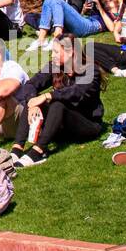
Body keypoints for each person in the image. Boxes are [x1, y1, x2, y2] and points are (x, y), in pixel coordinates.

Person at [9, 35, 105, 167]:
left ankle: (39, 151)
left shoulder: (90, 70)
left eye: (55, 51)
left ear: (70, 52)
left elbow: (77, 92)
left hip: (87, 124)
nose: (52, 55)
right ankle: (17, 148)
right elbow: (31, 84)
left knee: (57, 103)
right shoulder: (55, 66)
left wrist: (48, 95)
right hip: (61, 127)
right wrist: (33, 102)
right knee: (34, 100)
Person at [27, 0, 120, 48]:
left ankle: (58, 36)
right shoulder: (103, 12)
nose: (107, 0)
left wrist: (100, 8)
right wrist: (83, 10)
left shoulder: (117, 15)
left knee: (57, 1)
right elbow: (82, 18)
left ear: (118, 2)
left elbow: (112, 28)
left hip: (90, 26)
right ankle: (41, 39)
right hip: (84, 22)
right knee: (48, 0)